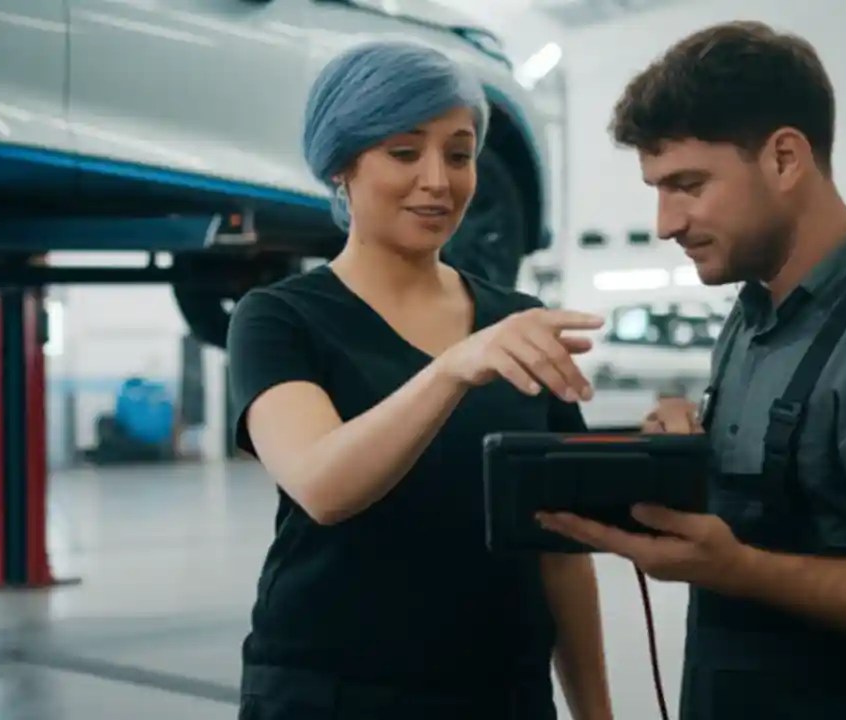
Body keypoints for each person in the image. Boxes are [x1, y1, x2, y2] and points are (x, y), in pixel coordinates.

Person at [537, 20, 846, 720]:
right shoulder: (754, 315)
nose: (664, 222)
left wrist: (739, 571)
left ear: (785, 159)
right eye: (657, 188)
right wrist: (683, 455)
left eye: (687, 184)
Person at [227, 41, 614, 720]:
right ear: (342, 165)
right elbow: (323, 484)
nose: (438, 180)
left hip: (502, 696)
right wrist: (451, 369)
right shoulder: (280, 319)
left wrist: (597, 715)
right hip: (333, 697)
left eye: (459, 154)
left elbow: (560, 553)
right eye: (405, 153)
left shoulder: (518, 326)